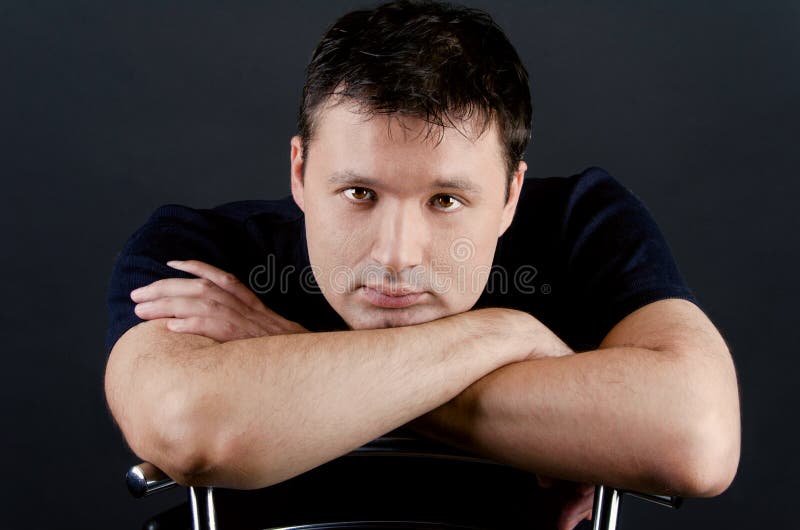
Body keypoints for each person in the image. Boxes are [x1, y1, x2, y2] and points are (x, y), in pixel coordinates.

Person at [103, 1, 741, 528]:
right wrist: (502, 334)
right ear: (299, 170)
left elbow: (698, 439)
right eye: (359, 194)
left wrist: (289, 351)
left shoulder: (581, 223)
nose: (395, 254)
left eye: (445, 199)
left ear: (511, 195)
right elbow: (188, 428)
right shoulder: (202, 250)